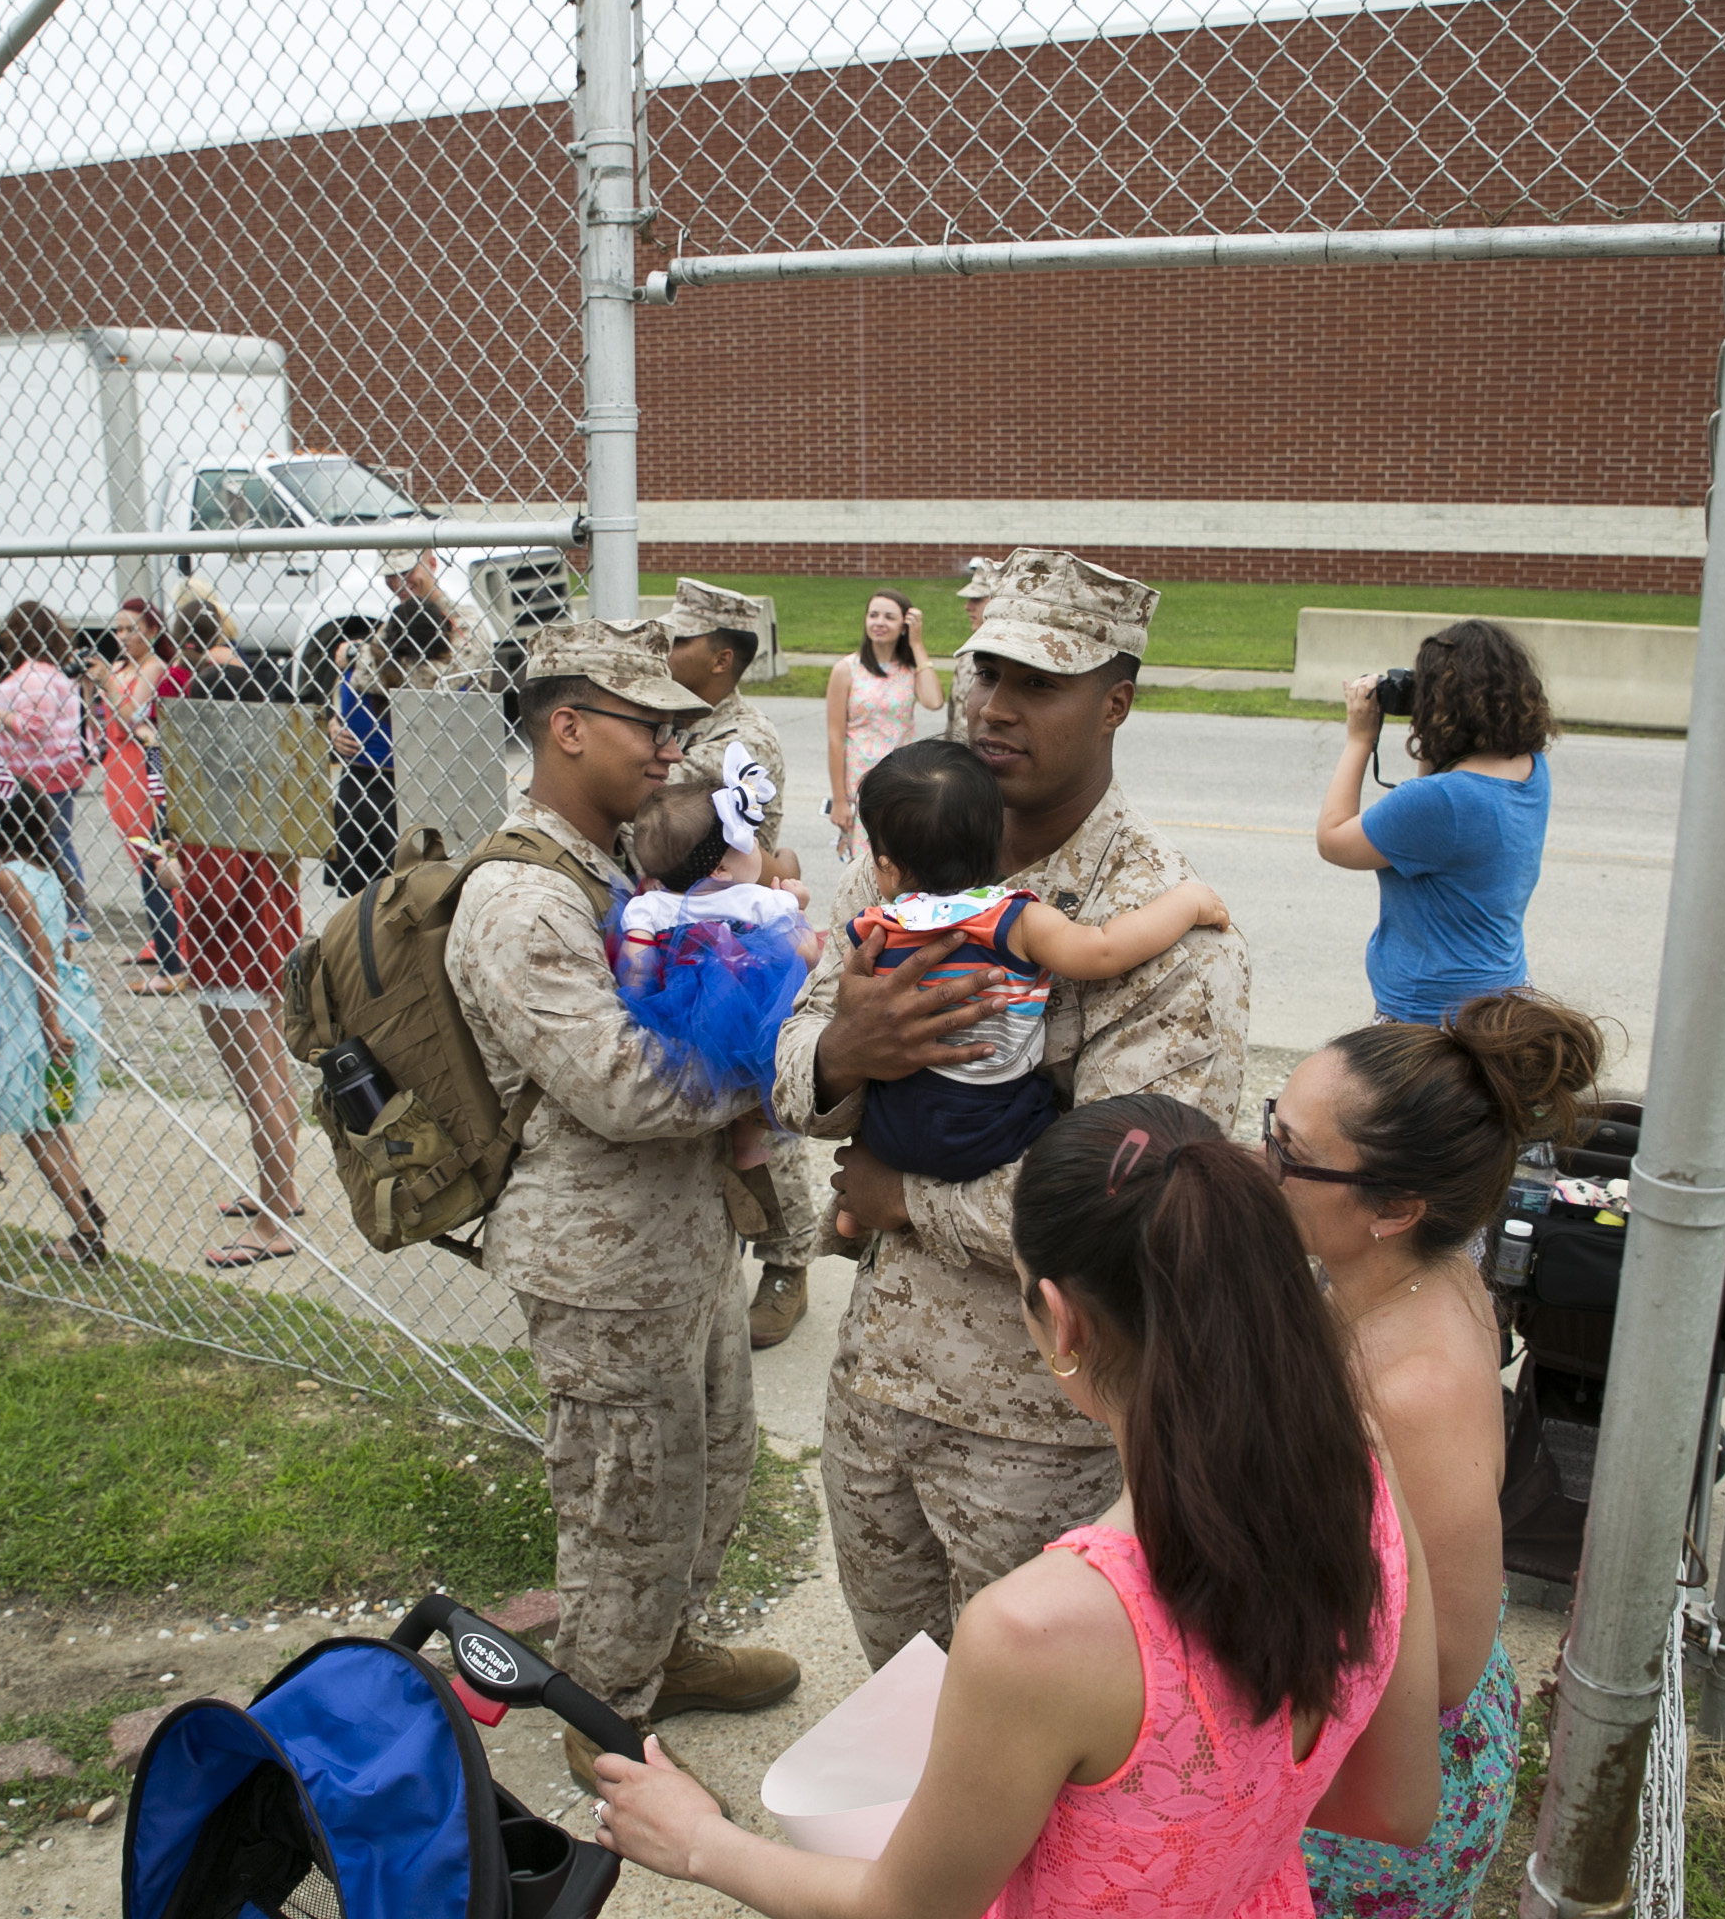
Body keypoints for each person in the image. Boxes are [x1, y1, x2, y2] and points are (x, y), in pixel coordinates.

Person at [590, 1094, 1442, 1917]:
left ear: (1063, 1324)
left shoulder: (1038, 1634)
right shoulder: (1366, 1474)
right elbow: (1398, 1806)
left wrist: (698, 1841)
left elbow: (906, 1910)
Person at [772, 548, 1250, 1669]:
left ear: (1115, 703)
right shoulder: (907, 855)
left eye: (1040, 683)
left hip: (1043, 1430)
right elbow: (792, 1060)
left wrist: (903, 1198)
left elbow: (1132, 1201)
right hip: (879, 1381)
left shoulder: (1162, 924)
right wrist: (843, 1053)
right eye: (987, 671)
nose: (993, 705)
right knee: (898, 1693)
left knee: (1031, 1733)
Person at [447, 618, 803, 1792]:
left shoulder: (618, 861)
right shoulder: (518, 898)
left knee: (710, 1465)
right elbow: (627, 1086)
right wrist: (798, 1058)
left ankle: (668, 1650)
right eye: (646, 724)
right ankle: (610, 1724)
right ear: (566, 726)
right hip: (599, 1262)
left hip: (680, 1238)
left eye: (674, 727)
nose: (668, 748)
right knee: (627, 1505)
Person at [1264, 991, 1605, 1917]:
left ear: (1396, 1207)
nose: (1263, 1166)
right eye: (1272, 1124)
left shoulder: (1408, 1394)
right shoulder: (1418, 1271)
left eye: (1289, 1152)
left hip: (1378, 1788)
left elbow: (1446, 1664)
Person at [842, 738, 1233, 1194]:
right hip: (989, 1127)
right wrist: (1186, 904)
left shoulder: (873, 927)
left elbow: (850, 994)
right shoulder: (1015, 921)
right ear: (996, 841)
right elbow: (1104, 950)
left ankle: (855, 1214)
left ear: (888, 868)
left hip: (891, 1126)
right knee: (1049, 1115)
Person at [660, 576, 818, 1346]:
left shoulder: (739, 739)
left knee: (757, 1105)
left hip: (732, 942)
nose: (665, 648)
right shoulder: (676, 718)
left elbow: (701, 837)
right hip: (677, 931)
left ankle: (790, 1262)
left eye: (679, 639)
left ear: (722, 658)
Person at [614, 755, 822, 1250]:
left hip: (681, 1014)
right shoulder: (756, 898)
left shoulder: (648, 904)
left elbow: (636, 961)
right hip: (751, 1009)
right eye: (749, 843)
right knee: (757, 1074)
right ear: (723, 867)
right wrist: (795, 898)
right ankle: (749, 1151)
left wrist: (641, 998)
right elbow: (802, 946)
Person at [1314, 619, 1555, 1025]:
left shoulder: (1439, 802)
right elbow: (1440, 805)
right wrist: (1437, 732)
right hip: (1504, 999)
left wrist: (1359, 738)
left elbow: (1332, 841)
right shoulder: (1530, 768)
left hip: (1429, 1018)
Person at [159, 639, 305, 1266]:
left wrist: (171, 871)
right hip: (267, 946)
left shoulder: (217, 791)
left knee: (259, 1085)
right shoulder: (271, 775)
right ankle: (280, 1192)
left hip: (232, 958)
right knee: (271, 1079)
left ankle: (273, 1223)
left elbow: (214, 891)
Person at [0, 787, 108, 1262]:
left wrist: (48, 1022)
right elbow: (61, 943)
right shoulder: (47, 873)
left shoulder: (6, 877)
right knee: (48, 1118)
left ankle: (85, 1233)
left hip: (24, 1012)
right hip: (43, 1001)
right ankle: (85, 1202)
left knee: (35, 1125)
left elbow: (40, 948)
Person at [330, 553, 464, 893]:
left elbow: (342, 700)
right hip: (409, 794)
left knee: (361, 904)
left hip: (356, 793)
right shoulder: (440, 690)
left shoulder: (355, 677)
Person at [0, 600, 94, 942]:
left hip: (40, 772)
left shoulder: (33, 677)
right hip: (58, 769)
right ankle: (66, 910)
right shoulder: (53, 674)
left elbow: (34, 726)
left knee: (53, 841)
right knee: (56, 840)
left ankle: (74, 915)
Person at [86, 598, 191, 993]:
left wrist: (108, 684)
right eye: (117, 630)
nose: (122, 637)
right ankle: (162, 938)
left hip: (141, 762)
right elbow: (102, 718)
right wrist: (93, 685)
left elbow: (134, 715)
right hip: (115, 764)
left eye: (129, 629)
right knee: (137, 853)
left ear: (150, 630)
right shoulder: (117, 668)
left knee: (155, 853)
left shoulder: (154, 667)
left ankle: (178, 947)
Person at [824, 589, 943, 861]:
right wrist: (839, 800)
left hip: (901, 781)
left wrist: (917, 644)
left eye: (889, 617)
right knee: (864, 863)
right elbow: (834, 738)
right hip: (860, 785)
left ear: (904, 626)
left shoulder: (910, 669)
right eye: (873, 615)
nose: (879, 622)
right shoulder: (846, 669)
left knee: (902, 861)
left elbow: (934, 700)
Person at [940, 556, 997, 747]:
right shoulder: (967, 654)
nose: (967, 606)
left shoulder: (1012, 662)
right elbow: (952, 719)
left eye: (977, 599)